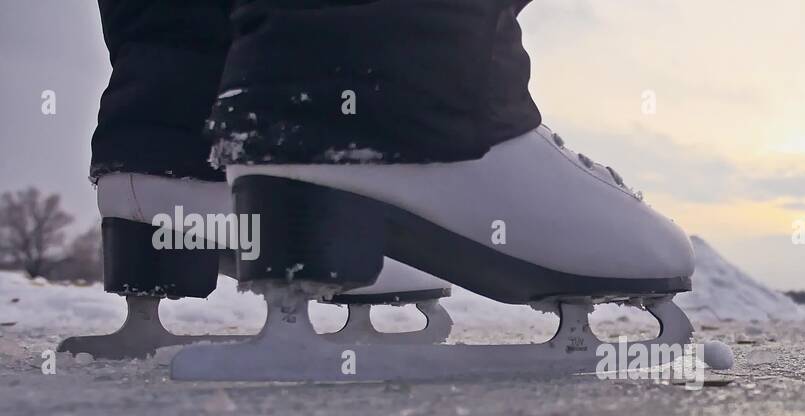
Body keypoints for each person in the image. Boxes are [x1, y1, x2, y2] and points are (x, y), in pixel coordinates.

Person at [72, 0, 694, 361]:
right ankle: (398, 87)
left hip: (198, 128)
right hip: (428, 114)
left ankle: (174, 137)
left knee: (184, 42)